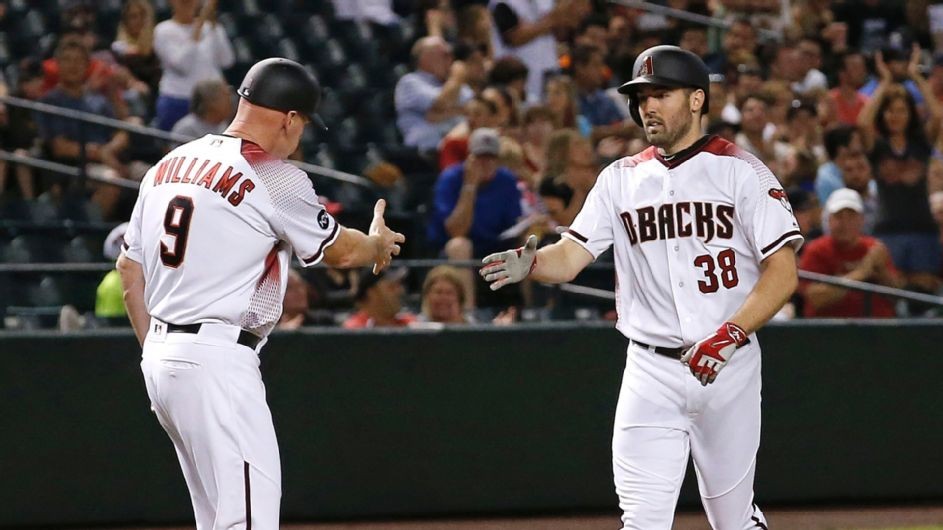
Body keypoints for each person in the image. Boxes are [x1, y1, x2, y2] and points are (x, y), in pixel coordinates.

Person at [480, 45, 802, 529]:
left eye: (661, 94)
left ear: (697, 100)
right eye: (641, 96)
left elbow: (783, 270)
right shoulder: (620, 179)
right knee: (642, 521)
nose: (647, 106)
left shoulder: (742, 171)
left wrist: (732, 333)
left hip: (728, 365)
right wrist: (534, 263)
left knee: (732, 521)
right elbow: (570, 256)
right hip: (650, 370)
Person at [116, 58, 405, 529]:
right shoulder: (270, 172)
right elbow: (340, 252)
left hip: (164, 357)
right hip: (218, 360)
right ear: (290, 118)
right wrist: (376, 243)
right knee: (249, 521)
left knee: (218, 520)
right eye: (304, 123)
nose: (301, 135)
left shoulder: (167, 165)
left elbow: (130, 271)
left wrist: (158, 354)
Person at [799, 188, 901, 317]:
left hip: (877, 327)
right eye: (839, 217)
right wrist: (861, 273)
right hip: (829, 329)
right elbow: (815, 298)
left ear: (862, 220)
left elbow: (897, 296)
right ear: (829, 220)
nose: (845, 223)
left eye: (851, 216)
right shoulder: (816, 250)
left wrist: (883, 272)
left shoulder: (875, 249)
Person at [153, 0, 234, 130]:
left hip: (211, 105)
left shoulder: (211, 27)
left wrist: (214, 27)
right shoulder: (164, 30)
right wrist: (199, 25)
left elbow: (227, 60)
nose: (188, 4)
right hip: (178, 100)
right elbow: (182, 66)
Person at [394, 36, 473, 153]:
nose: (451, 59)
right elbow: (441, 103)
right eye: (445, 54)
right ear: (425, 58)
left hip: (460, 149)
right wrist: (456, 79)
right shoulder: (410, 82)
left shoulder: (457, 86)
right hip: (425, 153)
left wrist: (440, 114)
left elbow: (473, 110)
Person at [342, 267, 416, 328]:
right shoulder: (355, 329)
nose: (400, 291)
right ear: (372, 293)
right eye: (391, 287)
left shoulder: (409, 323)